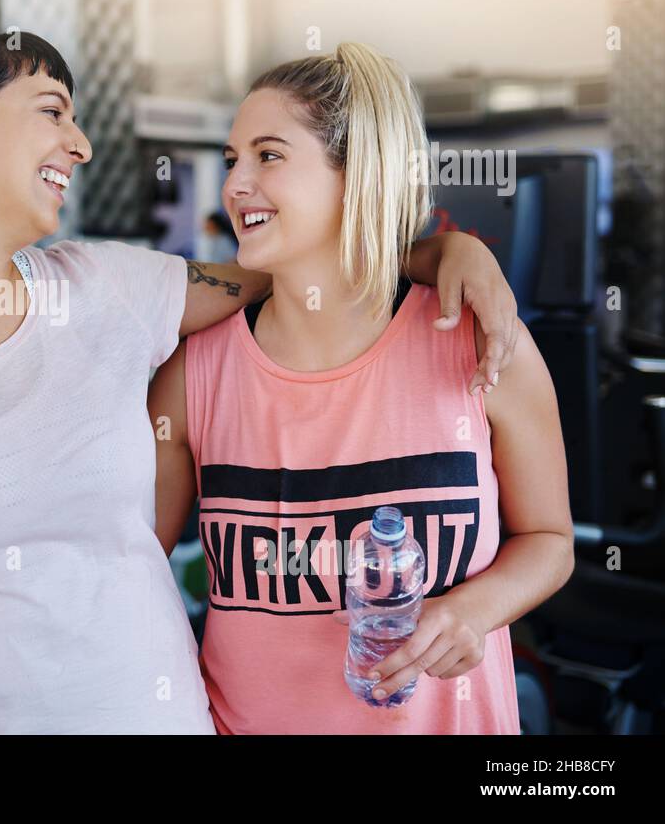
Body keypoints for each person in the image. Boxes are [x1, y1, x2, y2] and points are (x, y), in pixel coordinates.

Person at [0, 28, 519, 735]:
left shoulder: (111, 288)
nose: (79, 145)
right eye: (53, 111)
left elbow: (308, 265)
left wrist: (445, 256)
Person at [147, 42, 574, 733]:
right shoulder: (192, 374)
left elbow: (551, 538)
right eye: (232, 160)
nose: (235, 183)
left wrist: (475, 607)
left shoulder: (481, 344)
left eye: (269, 155)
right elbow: (127, 567)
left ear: (356, 175)